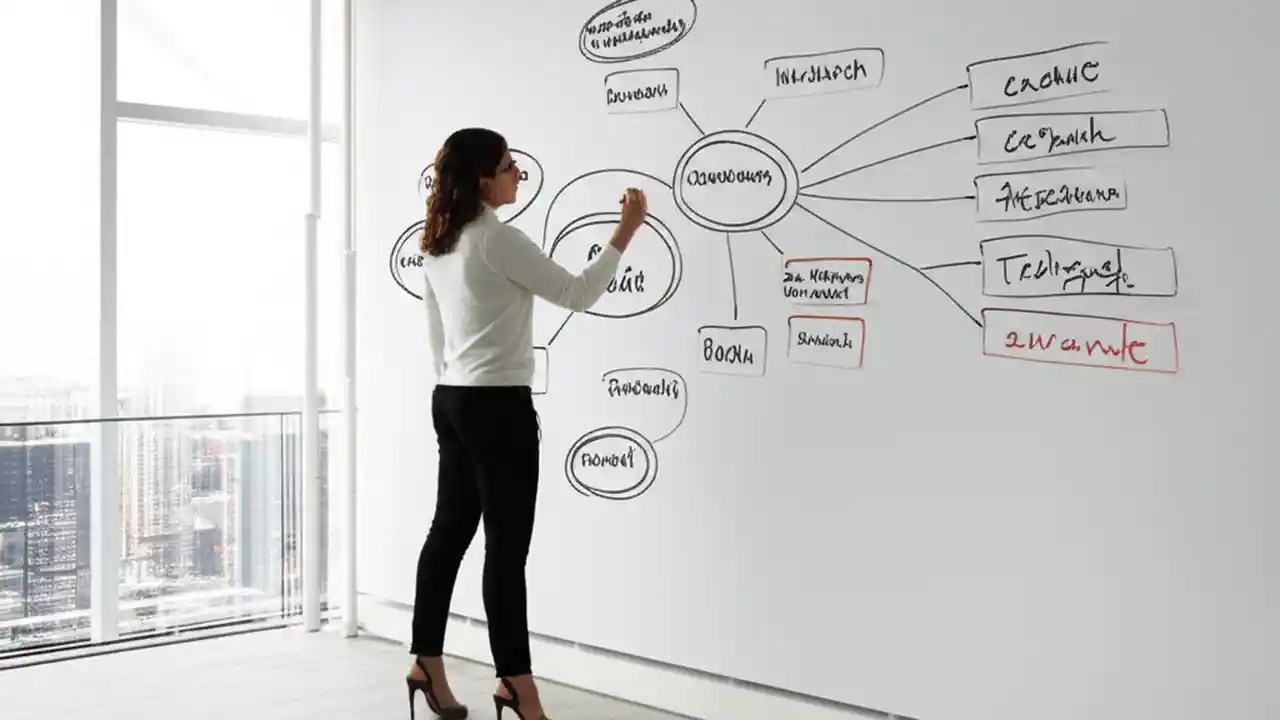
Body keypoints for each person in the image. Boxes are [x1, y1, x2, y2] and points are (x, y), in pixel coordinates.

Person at [405, 127, 647, 720]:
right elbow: (577, 292)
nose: (518, 175)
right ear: (485, 179)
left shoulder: (439, 241)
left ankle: (425, 662)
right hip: (496, 408)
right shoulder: (496, 240)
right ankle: (515, 682)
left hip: (451, 399)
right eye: (510, 167)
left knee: (448, 534)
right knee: (505, 552)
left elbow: (435, 335)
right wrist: (626, 231)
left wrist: (458, 382)